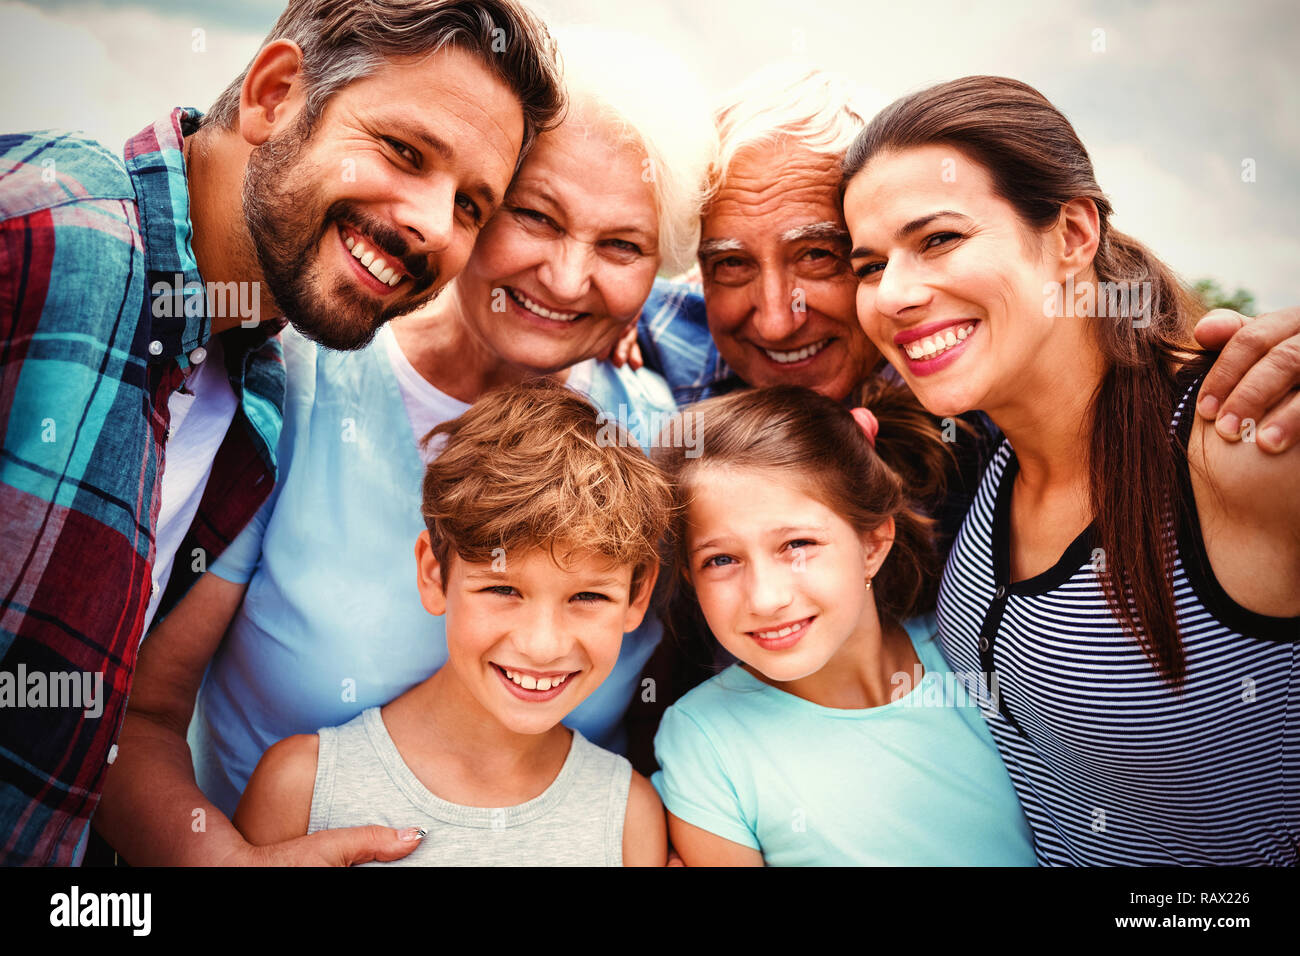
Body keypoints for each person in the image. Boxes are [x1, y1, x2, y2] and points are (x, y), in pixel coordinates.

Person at [93, 27, 715, 865]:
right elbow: (141, 715)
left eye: (621, 246)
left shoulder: (657, 441)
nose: (568, 279)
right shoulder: (293, 388)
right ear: (473, 203)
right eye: (534, 215)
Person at [0, 0, 562, 866]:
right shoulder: (54, 227)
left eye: (472, 207)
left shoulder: (255, 398)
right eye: (405, 152)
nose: (432, 228)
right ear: (274, 94)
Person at [841, 75, 1299, 865]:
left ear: (1074, 234)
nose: (897, 294)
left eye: (940, 239)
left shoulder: (1231, 443)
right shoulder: (984, 457)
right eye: (869, 265)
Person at [234, 381, 670, 866]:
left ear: (638, 593)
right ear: (434, 574)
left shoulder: (630, 816)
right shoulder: (303, 787)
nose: (542, 645)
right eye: (503, 590)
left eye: (588, 596)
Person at [649, 384, 1035, 865]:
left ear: (872, 545)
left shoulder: (973, 657)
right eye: (722, 559)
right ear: (689, 576)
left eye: (797, 545)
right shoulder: (702, 741)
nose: (766, 598)